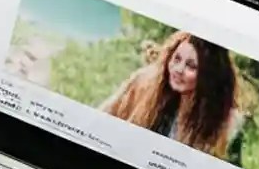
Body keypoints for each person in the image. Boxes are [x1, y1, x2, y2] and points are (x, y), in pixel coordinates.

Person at [102, 31, 239, 158]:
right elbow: (103, 116)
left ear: (208, 76)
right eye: (177, 59)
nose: (178, 70)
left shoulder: (219, 122)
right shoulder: (145, 83)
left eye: (191, 66)